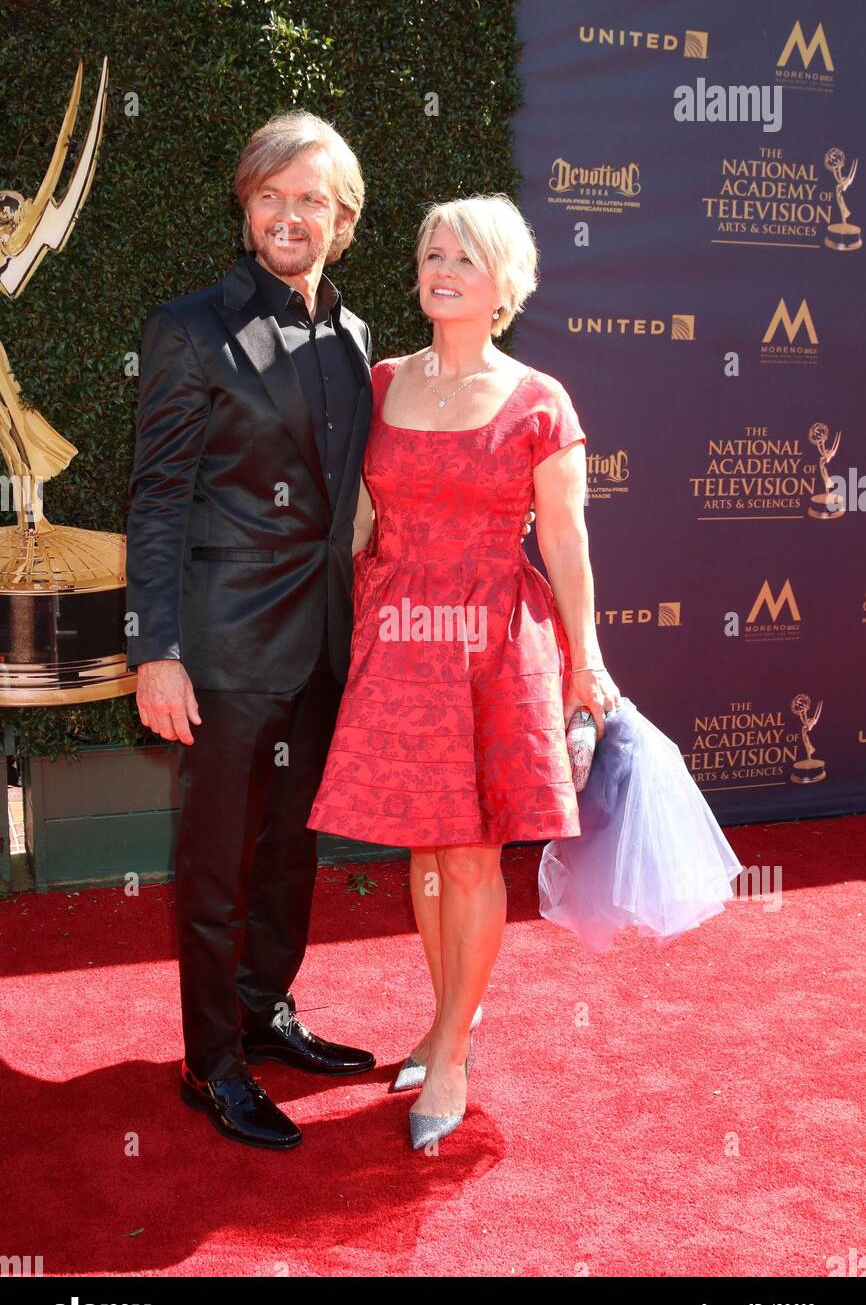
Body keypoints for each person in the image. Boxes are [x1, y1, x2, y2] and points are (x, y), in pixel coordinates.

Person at [307, 194, 623, 1150]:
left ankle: (450, 1048)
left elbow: (566, 544)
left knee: (475, 851)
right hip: (398, 635)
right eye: (431, 252)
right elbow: (359, 518)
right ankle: (447, 1015)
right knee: (424, 848)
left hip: (493, 639)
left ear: (504, 285)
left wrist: (587, 661)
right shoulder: (384, 379)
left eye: (464, 259)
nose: (440, 269)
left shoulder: (538, 399)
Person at [125, 110, 378, 1152]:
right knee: (218, 856)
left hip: (322, 642)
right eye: (270, 195)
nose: (288, 215)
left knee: (288, 850)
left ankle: (265, 1009)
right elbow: (156, 499)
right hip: (222, 653)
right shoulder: (190, 328)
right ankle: (210, 1061)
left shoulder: (358, 338)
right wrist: (153, 649)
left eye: (309, 199)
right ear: (245, 207)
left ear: (343, 220)